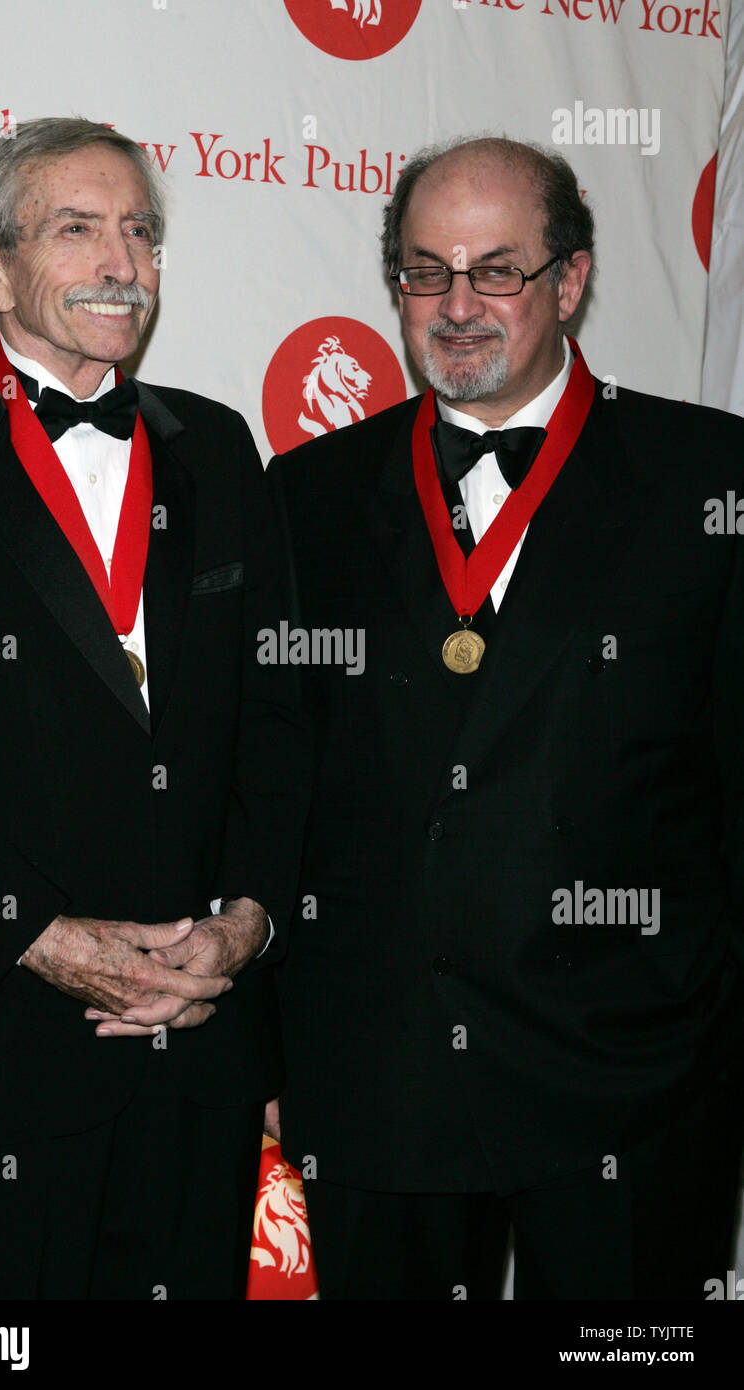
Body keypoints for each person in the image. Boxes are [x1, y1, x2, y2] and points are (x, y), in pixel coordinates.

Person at [267, 136, 744, 1300]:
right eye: (425, 272)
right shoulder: (303, 498)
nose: (457, 306)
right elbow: (274, 787)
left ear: (569, 280)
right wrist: (276, 1046)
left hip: (633, 1074)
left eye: (498, 271)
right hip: (378, 1073)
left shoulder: (706, 481)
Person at [0, 117, 309, 1300]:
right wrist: (44, 940)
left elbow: (277, 723)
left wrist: (239, 930)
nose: (123, 260)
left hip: (198, 1053)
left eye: (140, 231)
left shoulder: (218, 452)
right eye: (78, 228)